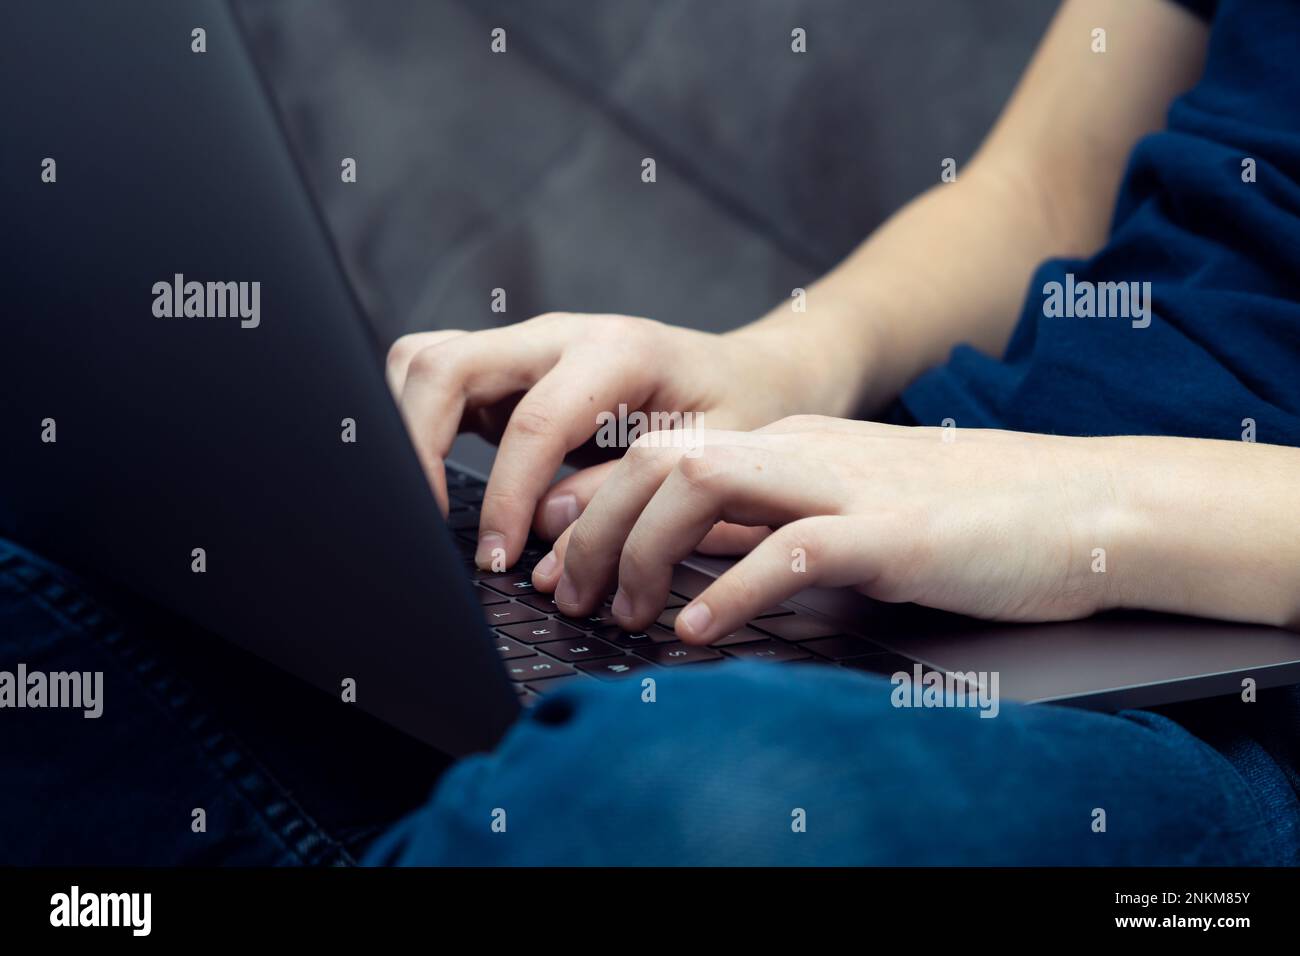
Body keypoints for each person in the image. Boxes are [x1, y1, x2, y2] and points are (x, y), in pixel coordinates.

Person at [4, 0, 1299, 865]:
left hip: (1246, 696)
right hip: (918, 538)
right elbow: (1053, 178)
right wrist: (785, 362)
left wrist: (1084, 513)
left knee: (677, 802)